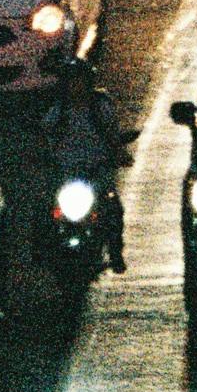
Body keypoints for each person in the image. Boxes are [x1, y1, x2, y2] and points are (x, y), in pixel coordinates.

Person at [44, 69, 127, 273]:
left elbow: (112, 133)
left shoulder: (101, 107)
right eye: (72, 82)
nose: (77, 87)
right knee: (45, 210)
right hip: (68, 173)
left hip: (96, 171)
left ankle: (115, 252)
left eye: (80, 82)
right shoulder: (59, 111)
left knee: (113, 209)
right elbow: (45, 133)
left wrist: (118, 153)